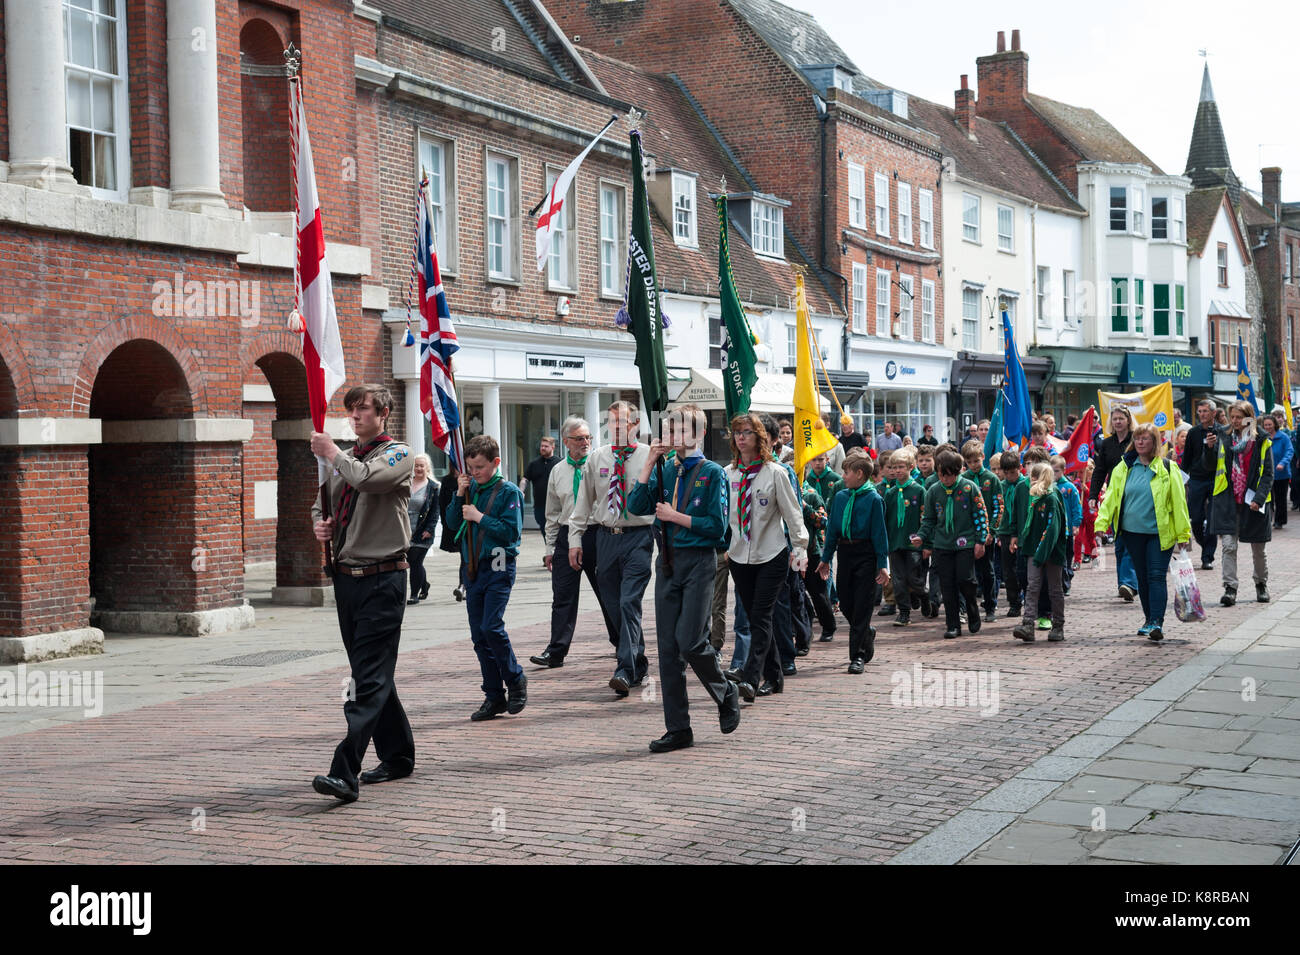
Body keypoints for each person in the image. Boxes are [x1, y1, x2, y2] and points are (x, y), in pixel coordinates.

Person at [309, 384, 415, 803]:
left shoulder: (398, 454)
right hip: (347, 578)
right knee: (372, 671)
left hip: (383, 578)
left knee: (367, 677)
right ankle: (399, 755)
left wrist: (333, 453)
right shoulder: (346, 459)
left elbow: (367, 481)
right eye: (351, 410)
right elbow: (324, 502)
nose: (355, 416)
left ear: (383, 413)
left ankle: (344, 770)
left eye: (363, 410)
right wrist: (321, 523)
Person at [627, 404, 741, 753]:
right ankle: (678, 728)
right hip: (669, 563)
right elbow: (636, 505)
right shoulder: (666, 470)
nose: (674, 437)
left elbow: (717, 527)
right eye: (670, 430)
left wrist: (676, 517)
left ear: (699, 434)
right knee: (668, 650)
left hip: (699, 562)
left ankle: (725, 690)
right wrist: (648, 463)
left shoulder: (712, 473)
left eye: (681, 430)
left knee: (691, 641)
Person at [569, 401, 653, 697]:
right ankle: (638, 659)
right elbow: (583, 502)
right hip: (605, 537)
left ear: (635, 426)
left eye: (622, 422)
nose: (616, 428)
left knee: (630, 601)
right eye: (612, 422)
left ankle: (625, 668)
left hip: (639, 537)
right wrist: (575, 540)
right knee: (613, 604)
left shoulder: (648, 457)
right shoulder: (598, 458)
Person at [725, 412, 809, 700]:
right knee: (756, 616)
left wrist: (800, 548)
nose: (741, 437)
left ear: (760, 438)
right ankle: (774, 676)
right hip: (739, 557)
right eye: (737, 433)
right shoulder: (729, 474)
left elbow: (793, 514)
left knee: (760, 616)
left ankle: (750, 678)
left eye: (747, 432)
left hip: (771, 555)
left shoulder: (775, 473)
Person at [445, 434, 528, 720]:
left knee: (492, 626)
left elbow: (510, 532)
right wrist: (459, 495)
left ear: (495, 462)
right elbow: (453, 523)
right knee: (479, 636)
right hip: (472, 568)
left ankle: (516, 679)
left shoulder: (508, 492)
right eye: (470, 468)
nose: (475, 473)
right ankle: (493, 696)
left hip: (498, 564)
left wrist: (479, 516)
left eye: (479, 467)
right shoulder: (470, 490)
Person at [530, 417, 620, 668]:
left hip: (596, 534)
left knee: (608, 593)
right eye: (579, 438)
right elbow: (552, 513)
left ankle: (622, 642)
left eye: (588, 437)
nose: (585, 442)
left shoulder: (602, 464)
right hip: (567, 535)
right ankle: (556, 651)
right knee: (563, 596)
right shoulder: (557, 471)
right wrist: (549, 547)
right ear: (566, 442)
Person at [1095, 422, 1192, 640]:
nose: (1140, 442)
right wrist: (1101, 524)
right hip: (1132, 533)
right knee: (1142, 577)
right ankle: (1149, 620)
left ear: (1155, 442)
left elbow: (1179, 503)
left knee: (1156, 576)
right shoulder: (1124, 467)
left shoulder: (1168, 468)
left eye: (1145, 438)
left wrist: (1183, 533)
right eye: (1137, 438)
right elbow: (1111, 498)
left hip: (1160, 533)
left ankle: (1157, 622)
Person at [818, 455, 889, 672]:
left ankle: (857, 656)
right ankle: (865, 631)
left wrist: (882, 563)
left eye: (847, 472)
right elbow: (831, 531)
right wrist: (826, 558)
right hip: (846, 552)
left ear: (859, 474)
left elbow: (879, 534)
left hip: (866, 553)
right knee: (847, 603)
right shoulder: (840, 497)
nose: (843, 476)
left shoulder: (874, 499)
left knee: (862, 604)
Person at [1204, 402, 1274, 606]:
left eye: (1239, 417)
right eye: (1232, 417)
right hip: (1228, 499)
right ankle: (1230, 588)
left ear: (1248, 417)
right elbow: (1209, 466)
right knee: (1228, 546)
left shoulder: (1261, 439)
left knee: (1258, 548)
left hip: (1253, 501)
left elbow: (1268, 473)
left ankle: (1261, 584)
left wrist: (1258, 498)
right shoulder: (1223, 436)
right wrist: (1209, 449)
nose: (1234, 421)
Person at [915, 448, 988, 640]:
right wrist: (922, 537)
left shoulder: (969, 487)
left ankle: (972, 608)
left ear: (958, 472)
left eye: (950, 476)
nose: (946, 479)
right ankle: (953, 624)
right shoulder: (933, 491)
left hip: (965, 543)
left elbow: (980, 515)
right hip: (942, 545)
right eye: (942, 475)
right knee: (947, 586)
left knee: (965, 579)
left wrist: (981, 540)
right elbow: (928, 519)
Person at [1012, 463, 1068, 643]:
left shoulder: (1052, 497)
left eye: (1031, 478)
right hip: (1034, 550)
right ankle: (1028, 624)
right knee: (1032, 585)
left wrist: (1041, 552)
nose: (1029, 481)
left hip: (1050, 552)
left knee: (1054, 589)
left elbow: (1053, 528)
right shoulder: (1035, 498)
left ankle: (1058, 625)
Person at [1089, 407, 1141, 602]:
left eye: (1122, 418)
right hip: (1114, 497)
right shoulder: (1107, 443)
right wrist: (1093, 494)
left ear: (1128, 420)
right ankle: (1125, 584)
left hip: (1135, 494)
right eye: (1115, 419)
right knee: (1119, 541)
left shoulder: (1136, 440)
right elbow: (1099, 470)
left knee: (1128, 539)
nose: (1118, 422)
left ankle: (1129, 582)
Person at [881, 446, 926, 627]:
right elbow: (885, 519)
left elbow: (925, 517)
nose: (897, 471)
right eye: (894, 467)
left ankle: (924, 595)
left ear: (910, 467)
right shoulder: (890, 493)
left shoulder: (919, 490)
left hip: (913, 542)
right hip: (895, 542)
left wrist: (925, 540)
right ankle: (904, 613)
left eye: (901, 467)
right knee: (898, 579)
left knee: (913, 578)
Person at [961, 440, 1003, 623]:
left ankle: (990, 604)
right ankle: (965, 608)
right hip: (968, 534)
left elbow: (998, 506)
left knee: (988, 571)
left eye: (976, 461)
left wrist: (992, 531)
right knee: (967, 573)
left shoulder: (991, 479)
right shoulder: (964, 480)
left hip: (986, 534)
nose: (974, 465)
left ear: (983, 458)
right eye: (970, 462)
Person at [1181, 398, 1220, 570]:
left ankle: (1207, 557)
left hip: (1216, 479)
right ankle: (1205, 545)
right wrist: (1182, 480)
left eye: (1206, 411)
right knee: (1196, 519)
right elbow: (1187, 458)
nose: (1202, 414)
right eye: (1200, 411)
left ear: (1214, 413)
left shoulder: (1222, 431)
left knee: (1212, 519)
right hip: (1196, 479)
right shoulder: (1193, 432)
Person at [996, 450, 1029, 618]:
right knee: (1008, 571)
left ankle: (1028, 599)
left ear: (1020, 468)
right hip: (1005, 532)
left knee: (1023, 570)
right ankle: (1014, 602)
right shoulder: (1001, 486)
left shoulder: (1026, 485)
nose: (1010, 476)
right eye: (1006, 473)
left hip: (1023, 533)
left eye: (1013, 472)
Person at [406, 453, 438, 605]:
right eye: (416, 465)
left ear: (427, 468)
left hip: (422, 530)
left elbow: (435, 512)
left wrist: (430, 529)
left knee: (415, 562)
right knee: (413, 562)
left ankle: (414, 594)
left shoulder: (433, 488)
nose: (419, 468)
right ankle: (424, 585)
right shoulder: (406, 483)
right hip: (405, 529)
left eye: (421, 465)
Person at [1051, 455, 1082, 595]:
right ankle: (1062, 582)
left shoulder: (1070, 488)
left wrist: (1076, 524)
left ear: (1063, 470)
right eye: (1051, 471)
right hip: (1055, 530)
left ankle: (1067, 578)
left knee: (1068, 557)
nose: (1054, 474)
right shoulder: (1049, 487)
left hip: (1067, 530)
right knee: (1059, 558)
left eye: (1056, 471)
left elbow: (1076, 507)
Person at [520, 436, 559, 541]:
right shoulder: (534, 464)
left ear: (553, 447)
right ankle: (550, 551)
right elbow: (525, 479)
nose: (542, 448)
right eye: (542, 446)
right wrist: (520, 492)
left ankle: (554, 553)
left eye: (546, 446)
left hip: (556, 505)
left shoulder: (559, 463)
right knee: (544, 530)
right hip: (540, 506)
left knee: (556, 531)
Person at [438, 464, 466, 601]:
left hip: (468, 522)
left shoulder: (470, 480)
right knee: (464, 556)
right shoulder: (447, 481)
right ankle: (463, 585)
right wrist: (445, 523)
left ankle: (464, 585)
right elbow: (442, 504)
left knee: (466, 557)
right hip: (454, 523)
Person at [1261, 413, 1291, 530]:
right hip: (1267, 474)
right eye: (1265, 425)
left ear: (1274, 425)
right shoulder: (1262, 437)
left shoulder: (1283, 437)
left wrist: (1282, 463)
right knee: (1268, 499)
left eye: (1269, 424)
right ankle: (1268, 519)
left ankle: (1280, 521)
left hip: (1281, 474)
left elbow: (1289, 451)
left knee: (1280, 499)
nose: (1267, 427)